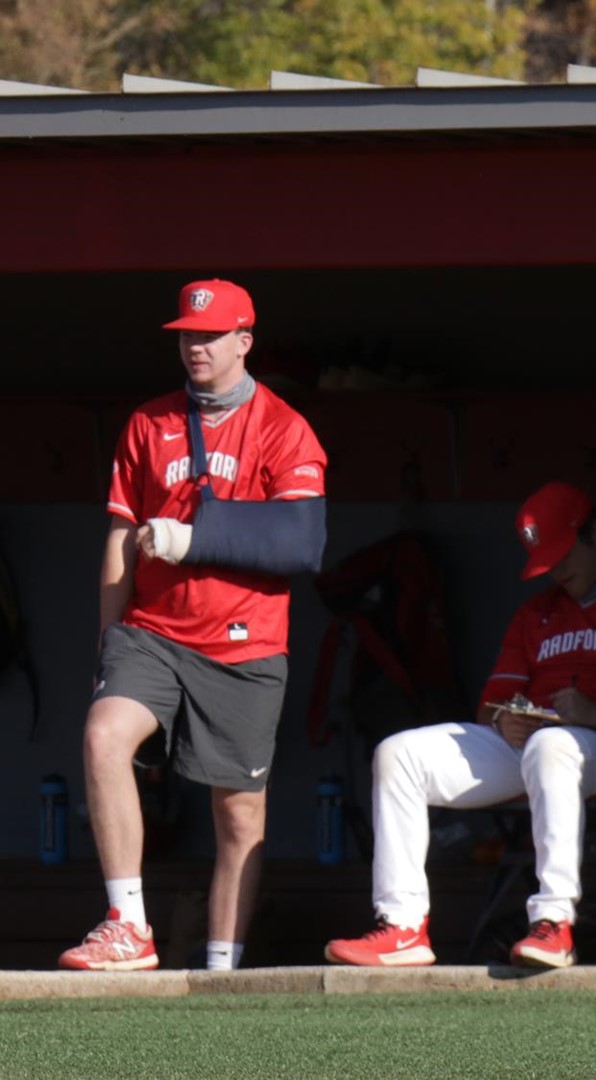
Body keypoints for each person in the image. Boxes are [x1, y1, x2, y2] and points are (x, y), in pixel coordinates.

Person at [324, 481, 596, 969]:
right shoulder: (537, 613)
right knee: (399, 754)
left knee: (552, 746)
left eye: (565, 555)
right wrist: (506, 720)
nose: (558, 572)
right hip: (535, 745)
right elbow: (491, 704)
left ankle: (554, 923)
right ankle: (403, 926)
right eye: (548, 562)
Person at [61, 279, 328, 972]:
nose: (195, 346)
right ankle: (128, 925)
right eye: (185, 334)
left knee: (238, 815)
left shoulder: (283, 427)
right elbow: (120, 537)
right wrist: (108, 633)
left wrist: (192, 538)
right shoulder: (148, 423)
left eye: (209, 335)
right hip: (152, 631)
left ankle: (222, 968)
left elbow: (301, 542)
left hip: (244, 642)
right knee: (102, 734)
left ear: (245, 341)